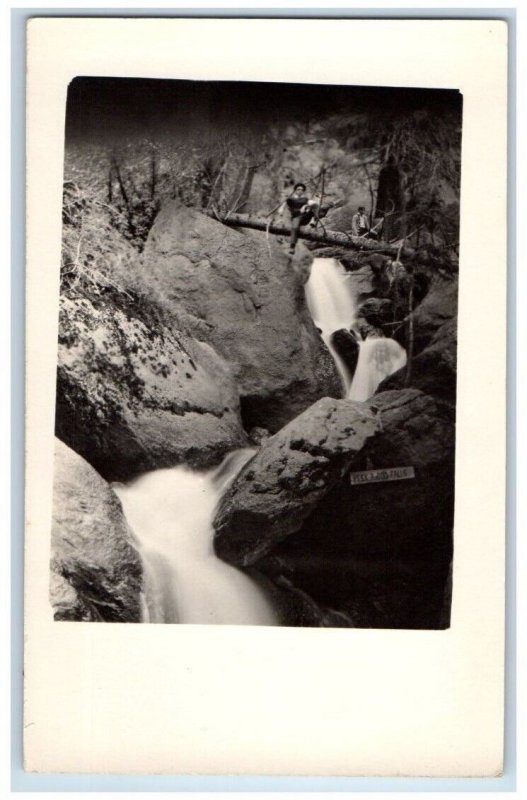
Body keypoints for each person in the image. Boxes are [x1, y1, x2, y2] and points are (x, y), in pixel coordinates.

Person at [278, 183, 316, 254]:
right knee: (295, 227)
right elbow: (285, 202)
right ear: (295, 190)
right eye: (298, 189)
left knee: (315, 205)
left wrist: (306, 206)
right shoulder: (291, 199)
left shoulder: (305, 199)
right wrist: (281, 208)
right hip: (296, 217)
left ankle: (313, 221)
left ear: (303, 191)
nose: (300, 191)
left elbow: (311, 204)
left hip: (305, 217)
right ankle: (292, 247)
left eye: (302, 190)